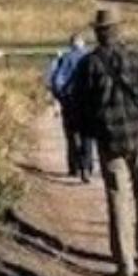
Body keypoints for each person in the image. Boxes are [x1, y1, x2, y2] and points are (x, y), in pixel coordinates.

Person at [72, 6, 138, 276]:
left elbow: (80, 106)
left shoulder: (89, 64)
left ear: (98, 33)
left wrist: (90, 133)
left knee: (118, 198)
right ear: (119, 29)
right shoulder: (137, 59)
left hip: (109, 139)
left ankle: (125, 262)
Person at [45, 34, 94, 183]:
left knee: (72, 135)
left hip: (71, 102)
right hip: (88, 102)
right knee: (87, 136)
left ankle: (74, 166)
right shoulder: (90, 57)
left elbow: (57, 80)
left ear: (71, 44)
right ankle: (87, 166)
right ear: (83, 43)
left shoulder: (65, 58)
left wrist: (61, 98)